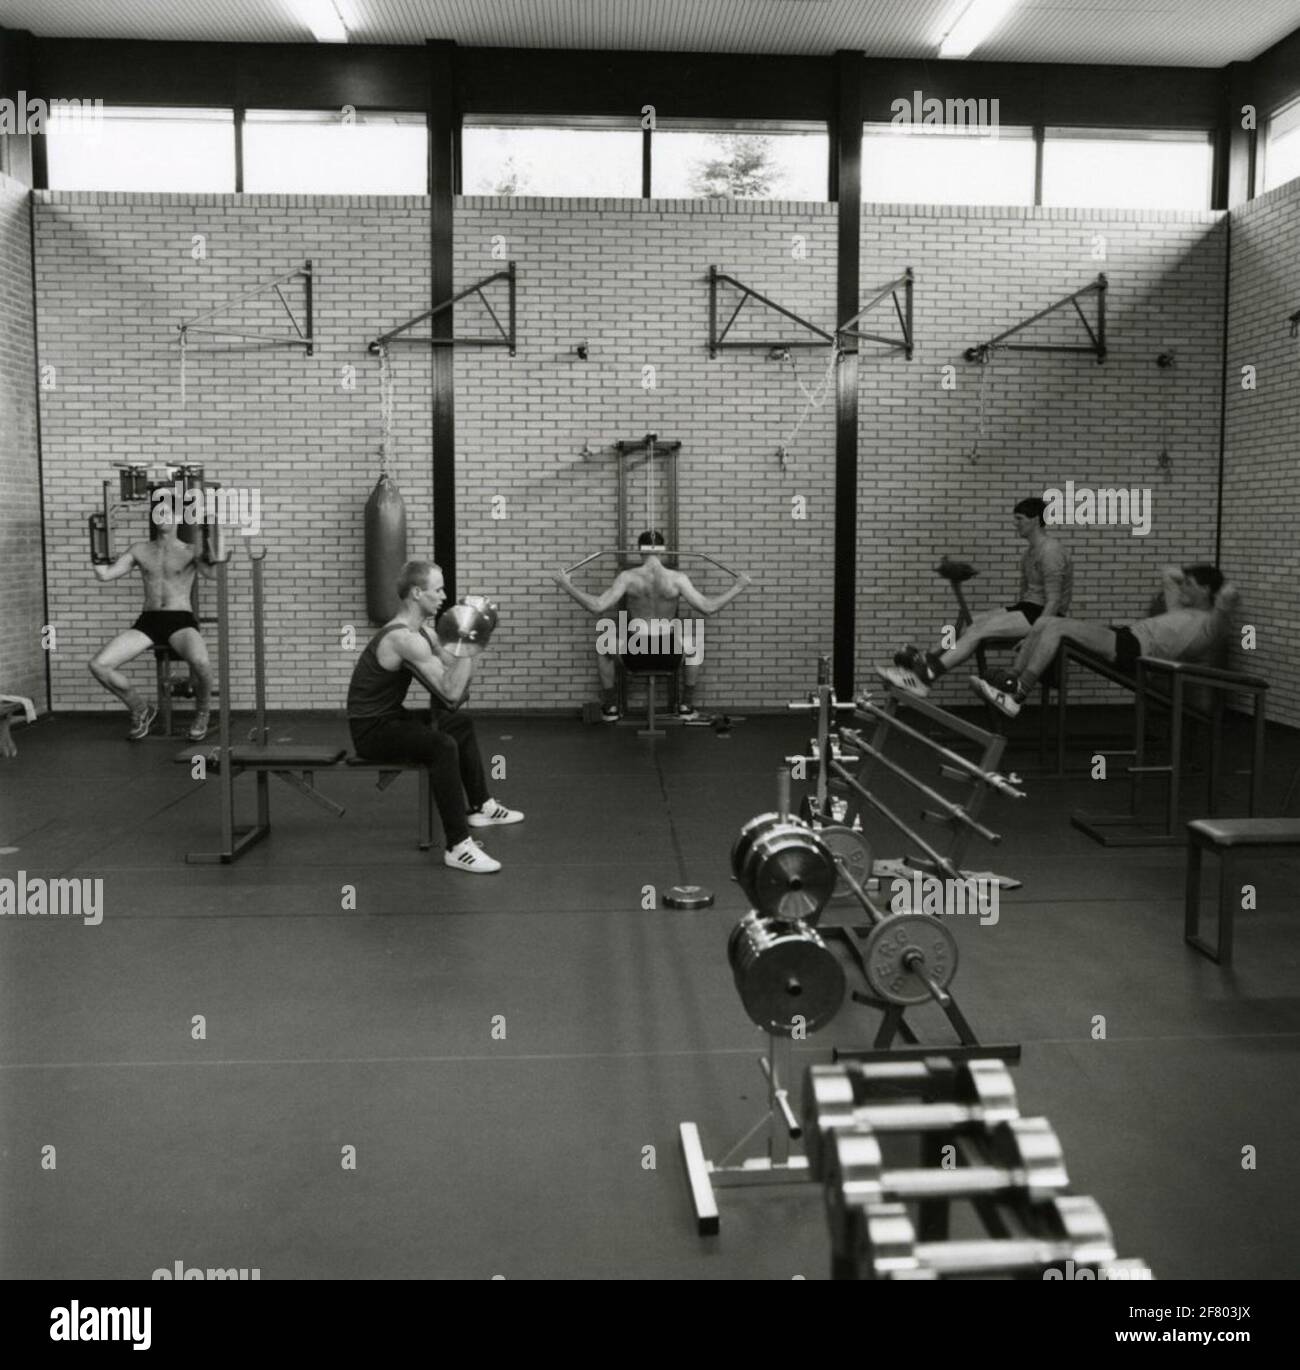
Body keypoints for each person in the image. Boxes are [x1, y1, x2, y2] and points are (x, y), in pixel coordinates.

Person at [347, 559, 522, 875]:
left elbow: (455, 685)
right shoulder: (403, 638)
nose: (444, 596)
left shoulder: (423, 633)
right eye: (438, 589)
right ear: (416, 593)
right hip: (371, 732)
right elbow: (453, 693)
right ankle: (458, 846)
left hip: (391, 718)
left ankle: (481, 806)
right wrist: (470, 641)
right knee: (442, 745)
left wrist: (474, 636)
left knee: (459, 724)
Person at [972, 563, 1239, 718]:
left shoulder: (1210, 625)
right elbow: (1169, 572)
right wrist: (1032, 638)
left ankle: (1017, 695)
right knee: (1044, 623)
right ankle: (1011, 679)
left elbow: (1227, 599)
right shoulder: (1179, 609)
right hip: (1126, 637)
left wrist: (1218, 586)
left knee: (1056, 628)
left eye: (1190, 584)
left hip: (1137, 650)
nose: (1183, 588)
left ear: (1205, 590)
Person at [878, 497, 1073, 698]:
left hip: (1045, 615)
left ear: (1035, 520)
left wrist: (1034, 634)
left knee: (977, 632)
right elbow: (1026, 596)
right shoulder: (1029, 553)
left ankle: (927, 676)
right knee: (970, 623)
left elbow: (1054, 601)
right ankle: (926, 658)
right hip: (1027, 608)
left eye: (1019, 518)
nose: (1015, 523)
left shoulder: (1051, 551)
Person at [553, 530, 751, 722]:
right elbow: (708, 607)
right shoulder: (678, 579)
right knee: (694, 645)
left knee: (603, 646)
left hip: (634, 654)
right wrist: (738, 587)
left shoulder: (628, 577)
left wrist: (566, 585)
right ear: (662, 551)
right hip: (669, 655)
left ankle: (611, 707)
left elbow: (596, 606)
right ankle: (686, 706)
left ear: (640, 550)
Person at [89, 491, 215, 741]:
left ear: (178, 517)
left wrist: (210, 541)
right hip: (148, 621)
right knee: (99, 666)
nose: (161, 515)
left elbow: (212, 575)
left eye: (167, 511)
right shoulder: (140, 550)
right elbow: (105, 575)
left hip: (180, 620)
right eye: (158, 511)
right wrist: (97, 538)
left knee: (201, 663)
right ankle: (140, 708)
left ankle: (203, 712)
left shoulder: (190, 551)